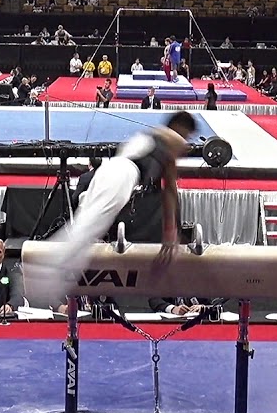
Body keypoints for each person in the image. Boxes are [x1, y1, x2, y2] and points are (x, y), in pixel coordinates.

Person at [25, 112, 198, 308]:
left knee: (85, 226)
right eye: (188, 134)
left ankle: (51, 265)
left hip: (107, 171)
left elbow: (166, 188)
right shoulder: (172, 139)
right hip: (124, 176)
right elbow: (170, 191)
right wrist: (171, 231)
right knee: (89, 228)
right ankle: (47, 268)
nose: (188, 140)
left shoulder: (150, 135)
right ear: (181, 129)